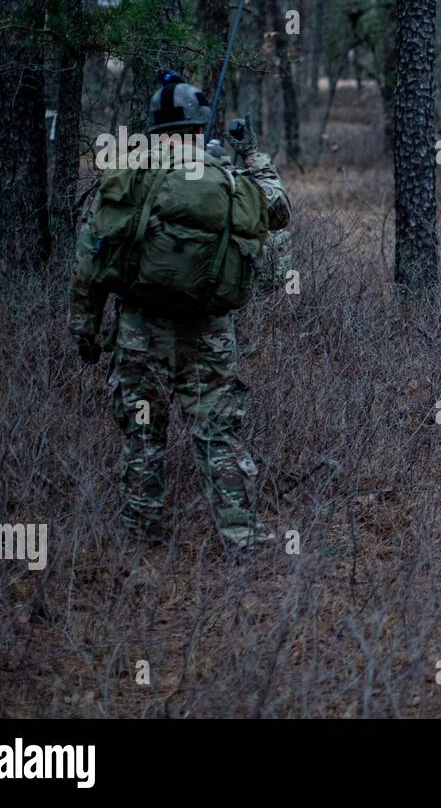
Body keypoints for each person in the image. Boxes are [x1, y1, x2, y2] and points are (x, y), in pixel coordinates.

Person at [69, 76, 290, 550]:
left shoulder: (127, 175)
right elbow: (279, 209)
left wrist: (84, 330)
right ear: (200, 124)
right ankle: (242, 538)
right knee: (218, 435)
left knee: (143, 435)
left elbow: (89, 261)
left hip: (137, 334)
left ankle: (141, 535)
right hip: (208, 336)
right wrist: (251, 153)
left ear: (152, 127)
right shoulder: (227, 177)